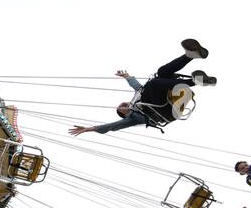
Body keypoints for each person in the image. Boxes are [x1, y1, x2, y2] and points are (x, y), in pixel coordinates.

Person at [69, 39, 215, 136]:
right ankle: (195, 81)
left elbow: (137, 87)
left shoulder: (139, 97)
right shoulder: (133, 117)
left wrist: (127, 77)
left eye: (121, 104)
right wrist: (90, 129)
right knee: (153, 83)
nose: (122, 105)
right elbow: (113, 126)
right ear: (125, 115)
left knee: (161, 72)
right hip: (160, 110)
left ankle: (191, 56)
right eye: (121, 109)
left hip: (163, 95)